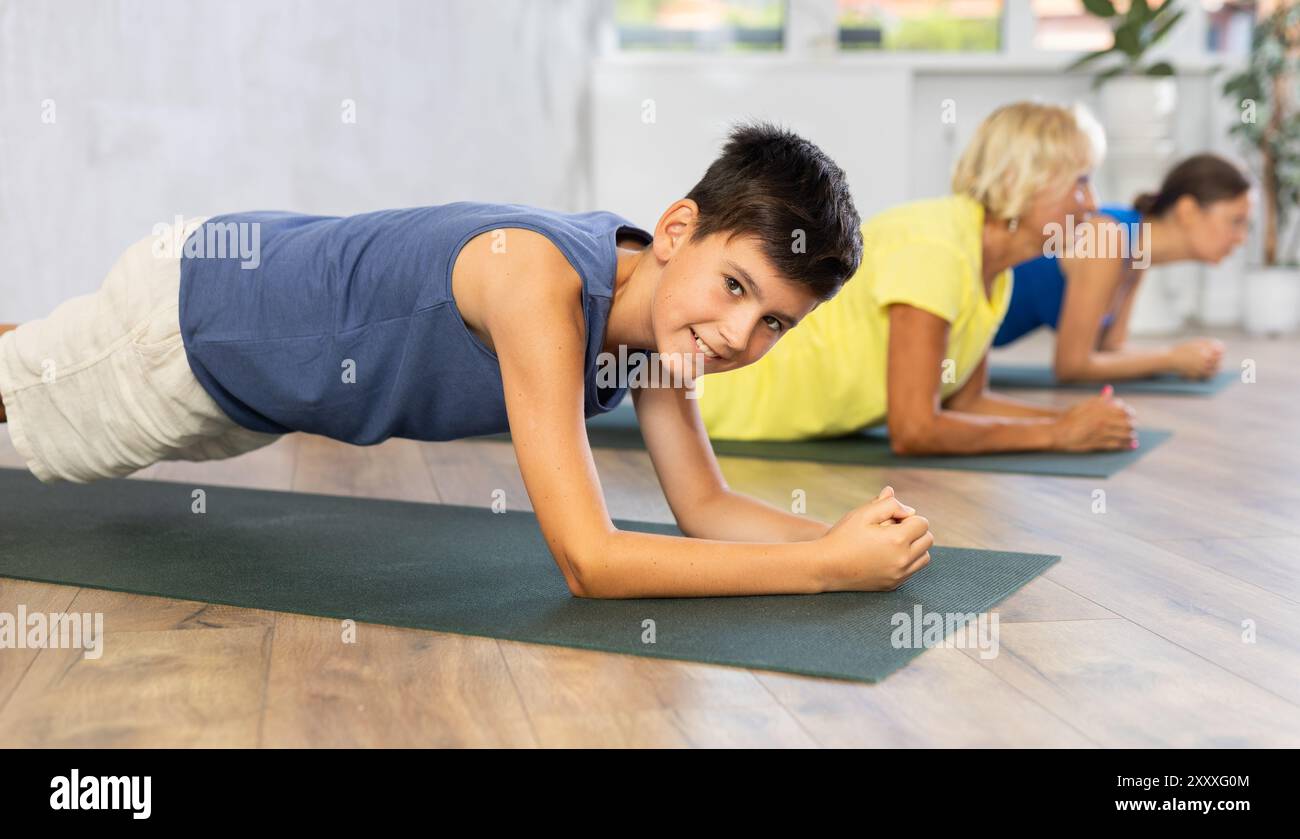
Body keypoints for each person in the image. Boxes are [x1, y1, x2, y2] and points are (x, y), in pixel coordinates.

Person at [0, 122, 934, 599]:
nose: (737, 335)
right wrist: (825, 570)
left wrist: (841, 537)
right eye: (735, 286)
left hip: (251, 370)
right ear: (677, 229)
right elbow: (590, 560)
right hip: (199, 326)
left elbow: (706, 508)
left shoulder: (657, 322)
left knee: (33, 366)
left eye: (775, 323)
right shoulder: (540, 285)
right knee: (24, 398)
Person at [697, 101, 1137, 455]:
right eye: (1080, 182)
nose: (1091, 203)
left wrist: (1074, 420)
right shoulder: (937, 248)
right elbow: (915, 430)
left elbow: (967, 402)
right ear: (1016, 180)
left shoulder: (994, 270)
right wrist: (1058, 433)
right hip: (725, 404)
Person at [992, 153, 1252, 382]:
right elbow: (1070, 366)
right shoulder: (1107, 236)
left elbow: (1110, 348)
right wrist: (1170, 358)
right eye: (1235, 221)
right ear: (1188, 212)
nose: (1241, 238)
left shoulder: (1138, 251)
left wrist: (1184, 358)